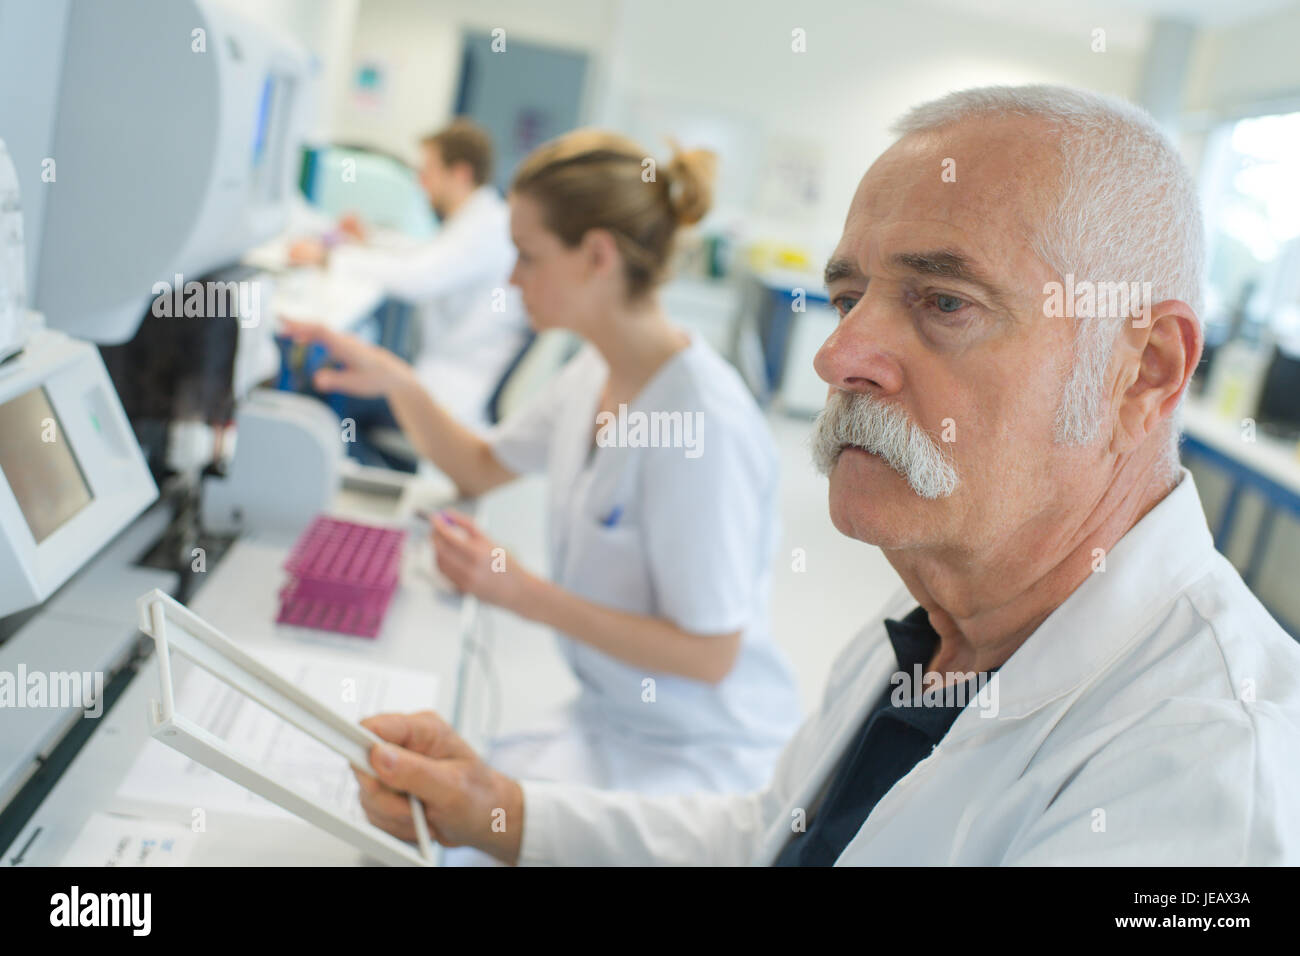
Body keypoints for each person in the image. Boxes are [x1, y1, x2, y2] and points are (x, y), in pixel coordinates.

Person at [345, 85, 1300, 866]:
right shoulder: (937, 614)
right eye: (849, 297)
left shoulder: (1201, 776)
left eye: (944, 301)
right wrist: (500, 812)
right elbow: (768, 841)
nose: (839, 353)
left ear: (1147, 370)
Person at [283, 129, 803, 801]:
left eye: (526, 256)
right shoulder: (594, 371)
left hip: (700, 760)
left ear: (596, 256)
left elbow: (709, 653)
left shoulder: (701, 422)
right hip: (614, 720)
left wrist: (518, 592)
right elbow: (478, 467)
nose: (510, 278)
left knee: (446, 827)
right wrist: (395, 381)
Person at [289, 118, 529, 435]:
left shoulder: (486, 229)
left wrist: (328, 257)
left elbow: (419, 278)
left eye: (428, 171)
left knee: (320, 391)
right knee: (331, 375)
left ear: (460, 174)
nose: (420, 182)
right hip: (439, 374)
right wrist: (368, 240)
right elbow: (425, 255)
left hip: (448, 394)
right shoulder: (478, 219)